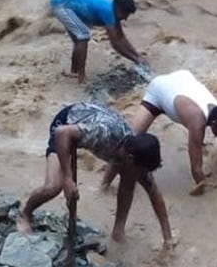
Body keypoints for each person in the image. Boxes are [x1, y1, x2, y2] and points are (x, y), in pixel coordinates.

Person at [17, 101, 174, 248]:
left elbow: (154, 193)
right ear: (130, 158)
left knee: (129, 180)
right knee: (54, 186)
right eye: (140, 170)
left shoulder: (135, 154)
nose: (142, 174)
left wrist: (168, 238)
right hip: (66, 123)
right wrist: (67, 178)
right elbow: (62, 133)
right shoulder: (103, 135)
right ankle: (24, 214)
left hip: (89, 125)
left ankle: (118, 231)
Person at [102, 69, 217, 195]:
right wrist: (210, 194)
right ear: (215, 124)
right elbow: (196, 170)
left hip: (182, 80)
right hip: (159, 91)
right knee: (127, 143)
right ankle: (104, 185)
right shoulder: (196, 121)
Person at [49, 0, 144, 83]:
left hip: (67, 3)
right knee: (83, 36)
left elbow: (121, 37)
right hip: (61, 4)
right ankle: (81, 77)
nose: (125, 18)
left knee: (79, 39)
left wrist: (138, 57)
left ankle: (74, 72)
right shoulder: (107, 12)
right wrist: (135, 59)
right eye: (125, 14)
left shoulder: (112, 10)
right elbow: (115, 43)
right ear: (118, 9)